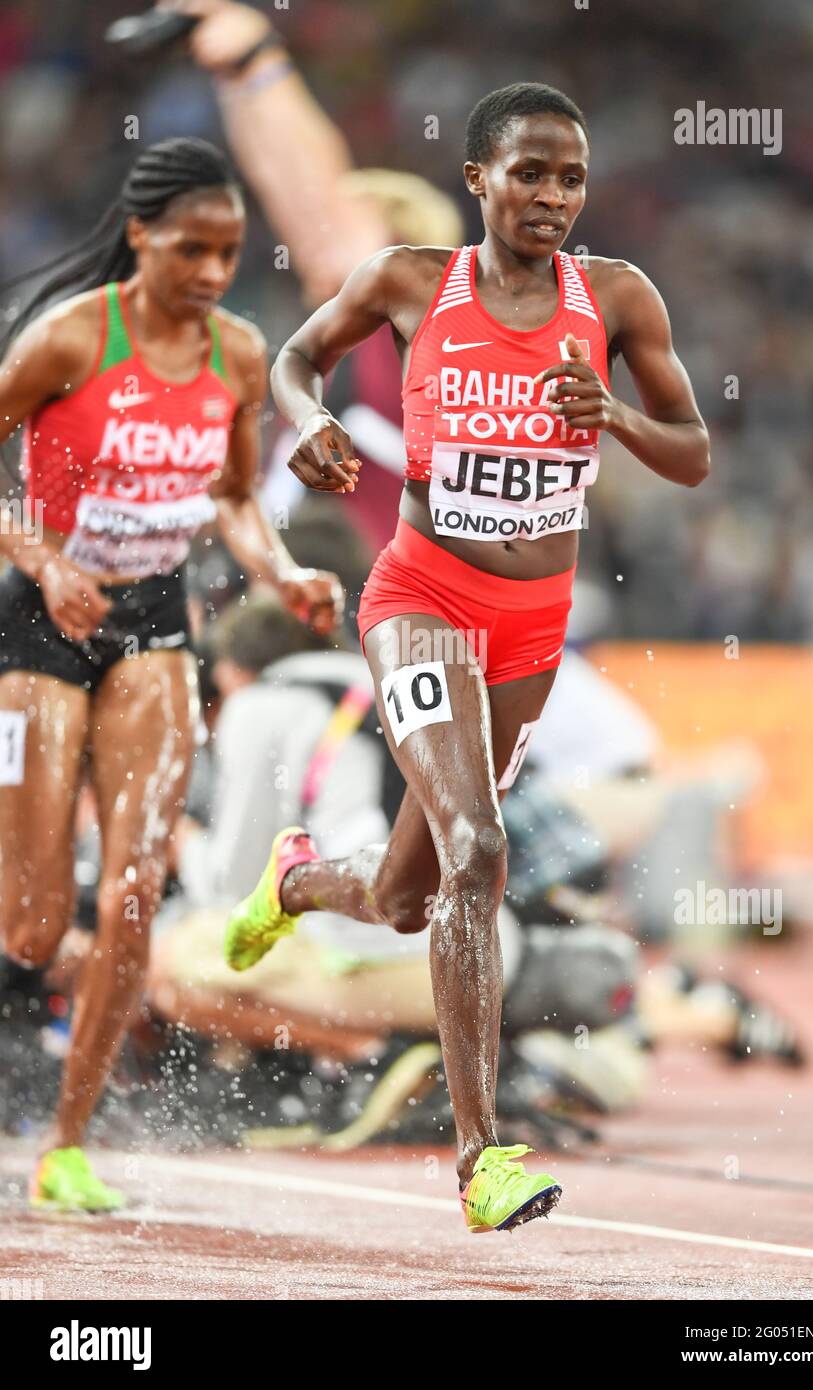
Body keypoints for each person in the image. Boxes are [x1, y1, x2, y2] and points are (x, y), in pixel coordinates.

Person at [225, 81, 711, 1233]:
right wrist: (315, 423)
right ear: (478, 180)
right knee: (478, 848)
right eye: (529, 173)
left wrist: (615, 420)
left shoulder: (617, 297)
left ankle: (298, 879)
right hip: (419, 595)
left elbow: (690, 451)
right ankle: (479, 1157)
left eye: (571, 178)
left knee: (407, 895)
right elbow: (295, 360)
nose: (551, 196)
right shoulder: (411, 281)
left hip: (530, 627)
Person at [0, 135, 342, 1212]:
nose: (208, 273)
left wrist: (281, 571)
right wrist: (46, 560)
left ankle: (67, 1142)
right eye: (190, 249)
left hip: (153, 618)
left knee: (138, 891)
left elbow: (237, 498)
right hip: (41, 624)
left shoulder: (239, 354)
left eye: (228, 253)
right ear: (140, 236)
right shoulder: (68, 339)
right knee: (36, 924)